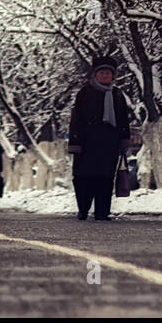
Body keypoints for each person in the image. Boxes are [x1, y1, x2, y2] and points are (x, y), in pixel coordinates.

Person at [67, 54, 131, 221]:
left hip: (109, 145)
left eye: (108, 73)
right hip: (87, 145)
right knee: (83, 178)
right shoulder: (85, 93)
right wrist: (75, 143)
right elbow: (76, 119)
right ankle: (83, 208)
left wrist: (124, 140)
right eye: (101, 73)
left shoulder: (117, 95)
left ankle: (102, 212)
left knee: (106, 179)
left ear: (113, 76)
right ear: (95, 75)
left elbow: (124, 120)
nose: (105, 76)